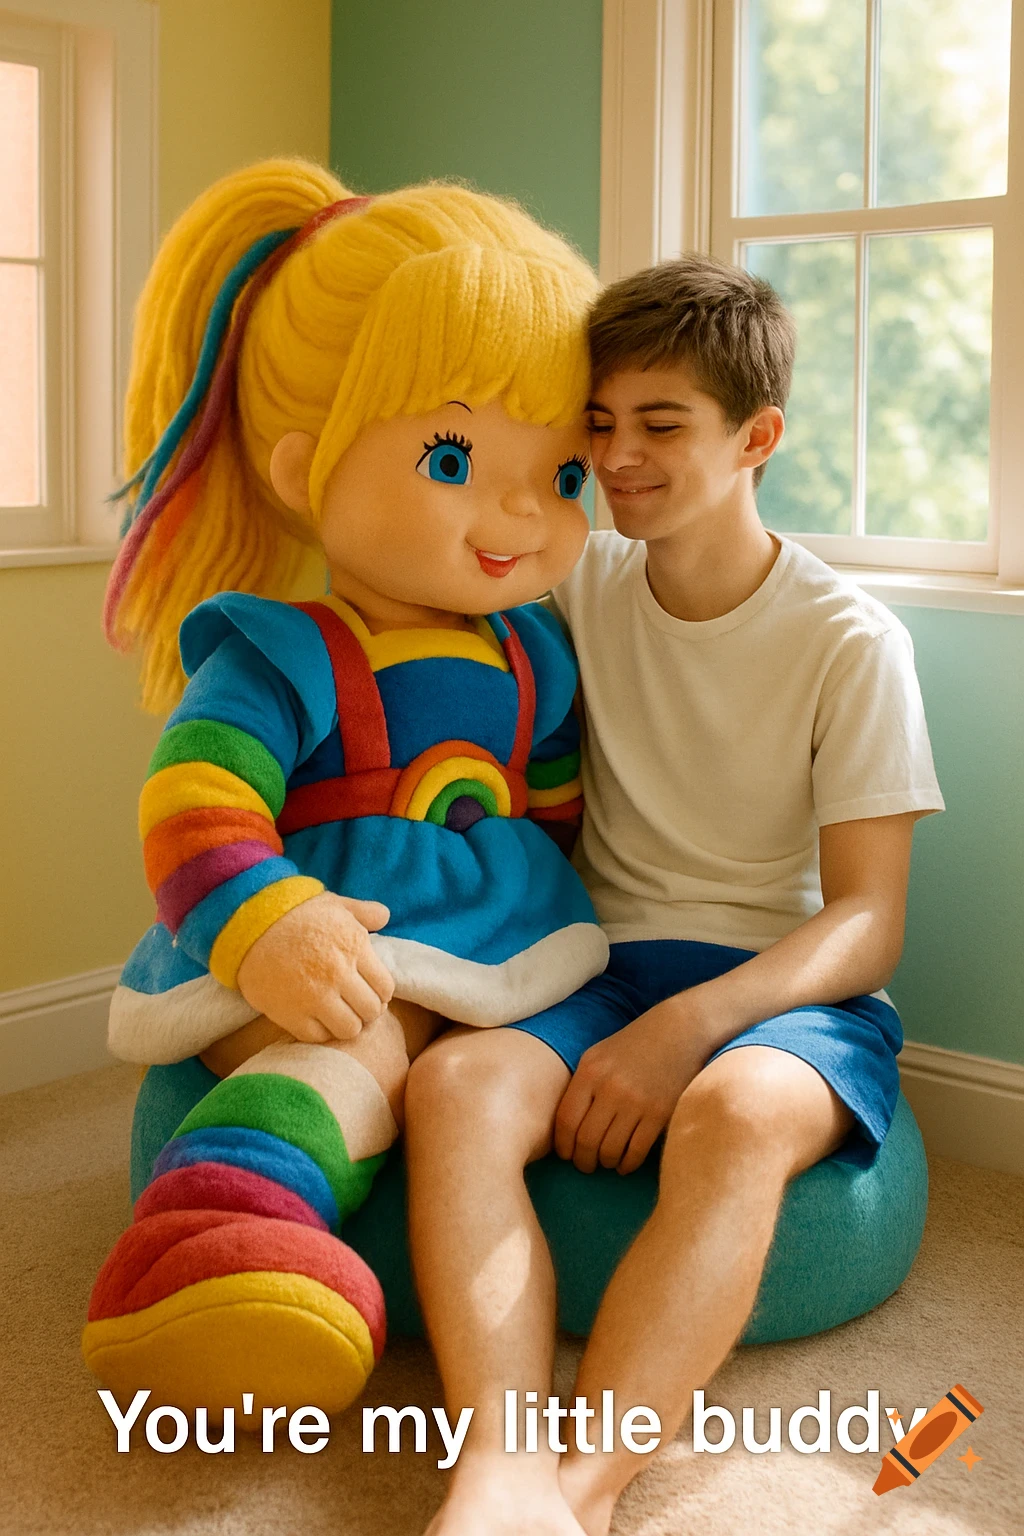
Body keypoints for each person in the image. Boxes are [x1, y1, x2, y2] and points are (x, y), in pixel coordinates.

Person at [406, 253, 944, 1536]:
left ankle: (584, 1493)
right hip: (598, 957)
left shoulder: (851, 639)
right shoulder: (577, 581)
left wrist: (688, 1028)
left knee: (738, 1117)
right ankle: (499, 1466)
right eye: (602, 423)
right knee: (457, 1084)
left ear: (755, 437)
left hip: (784, 985)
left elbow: (868, 919)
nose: (620, 455)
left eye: (661, 424)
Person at [81, 158, 613, 1422]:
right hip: (323, 937)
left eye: (563, 475)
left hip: (487, 941)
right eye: (451, 458)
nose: (518, 515)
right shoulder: (286, 649)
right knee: (363, 1040)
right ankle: (210, 1238)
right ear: (299, 466)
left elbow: (549, 803)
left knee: (471, 1060)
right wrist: (267, 925)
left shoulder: (534, 650)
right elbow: (194, 795)